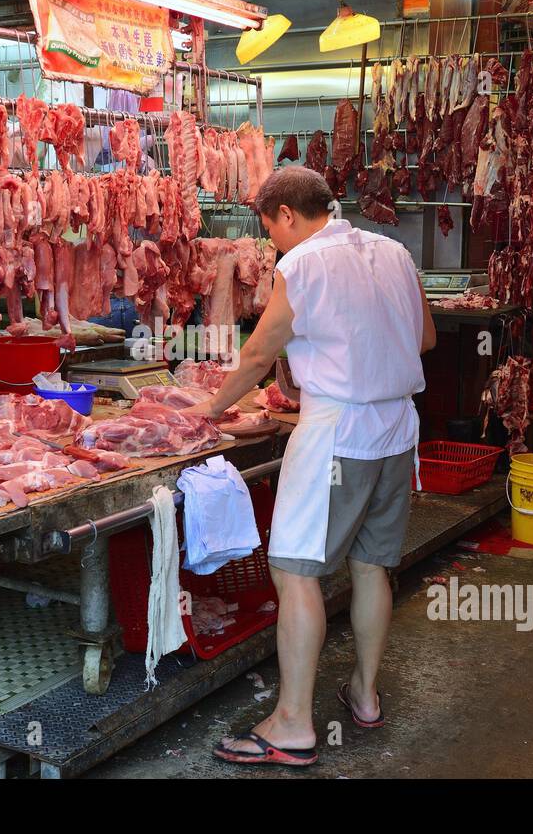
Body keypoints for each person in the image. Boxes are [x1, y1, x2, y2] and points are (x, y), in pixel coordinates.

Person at [184, 166, 435, 766]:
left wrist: (208, 410)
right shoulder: (394, 250)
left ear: (287, 216)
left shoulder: (302, 265)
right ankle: (365, 695)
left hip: (338, 434)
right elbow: (424, 337)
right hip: (398, 428)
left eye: (270, 231)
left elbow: (257, 353)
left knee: (296, 572)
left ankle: (293, 723)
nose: (273, 245)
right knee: (371, 566)